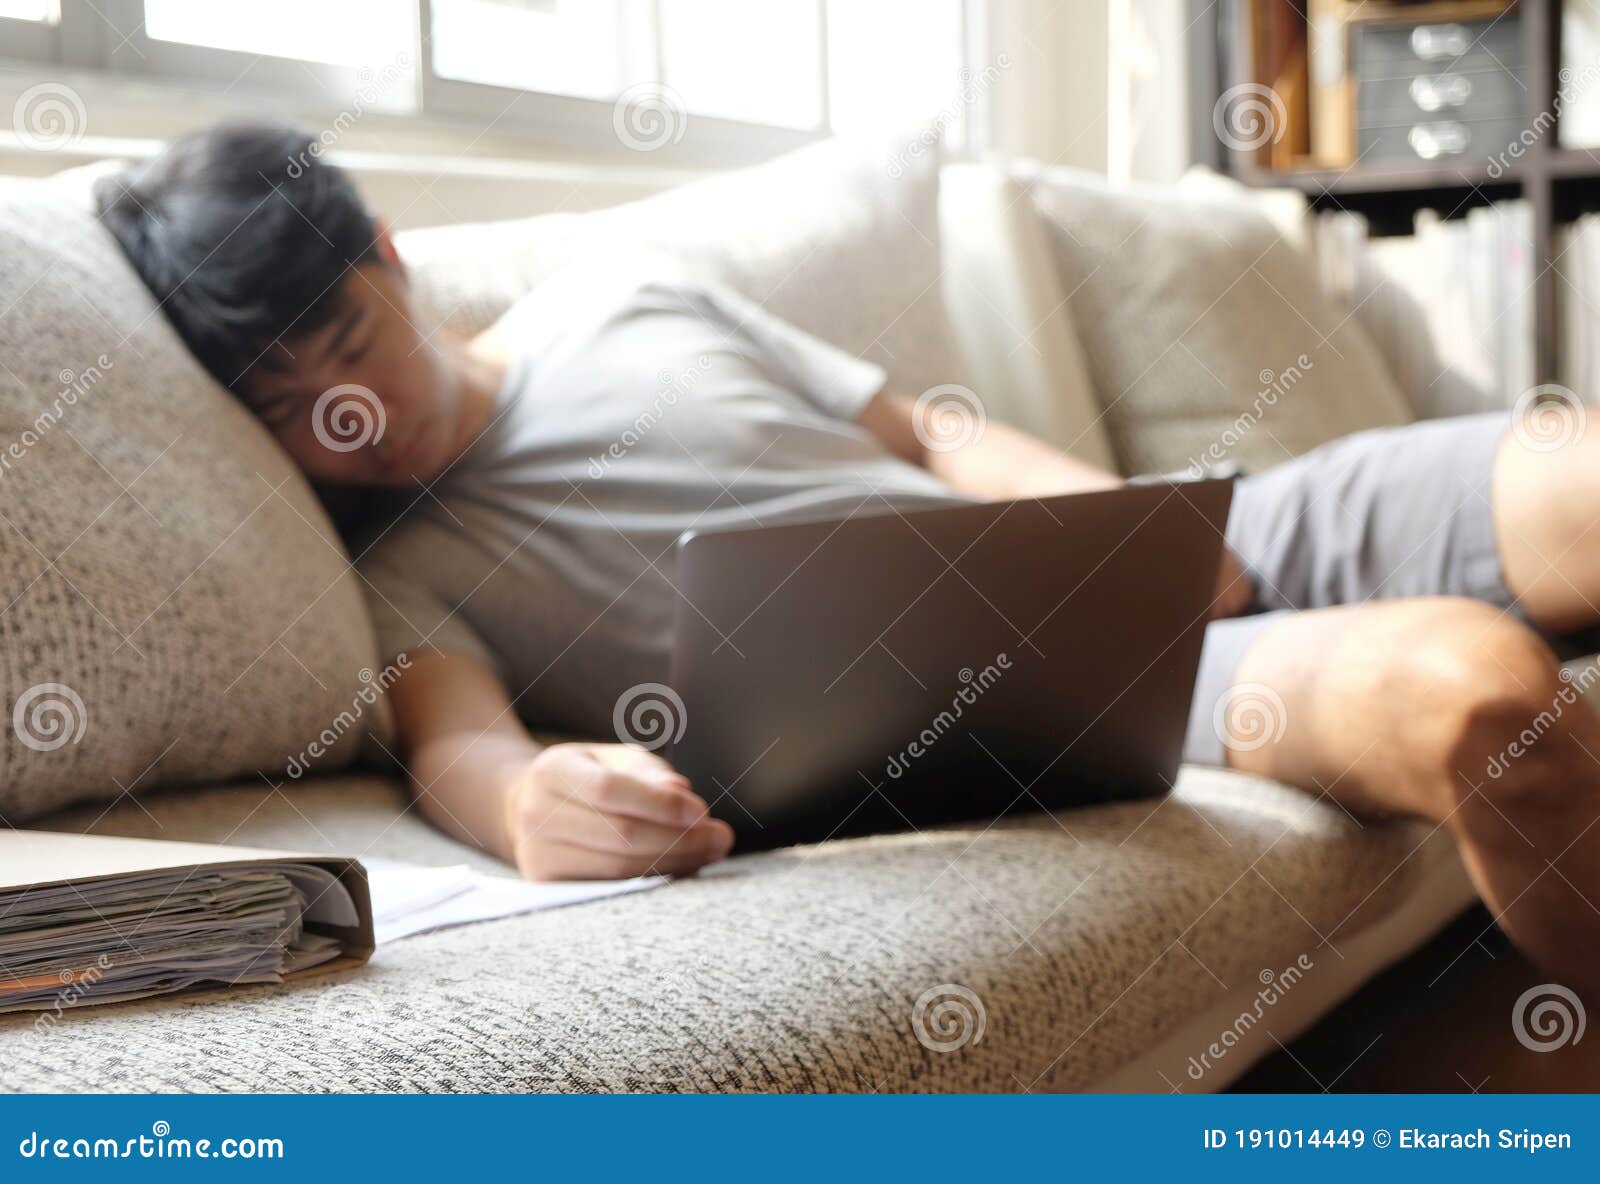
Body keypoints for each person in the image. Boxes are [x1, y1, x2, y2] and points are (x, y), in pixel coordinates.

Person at [97, 122, 1600, 992]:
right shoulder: (402, 576)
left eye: (345, 348)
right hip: (1082, 699)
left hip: (1174, 540)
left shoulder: (627, 296)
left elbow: (937, 435)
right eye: (288, 412)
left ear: (390, 256)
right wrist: (539, 805)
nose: (345, 416)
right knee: (1485, 703)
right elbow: (468, 755)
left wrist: (1124, 527)